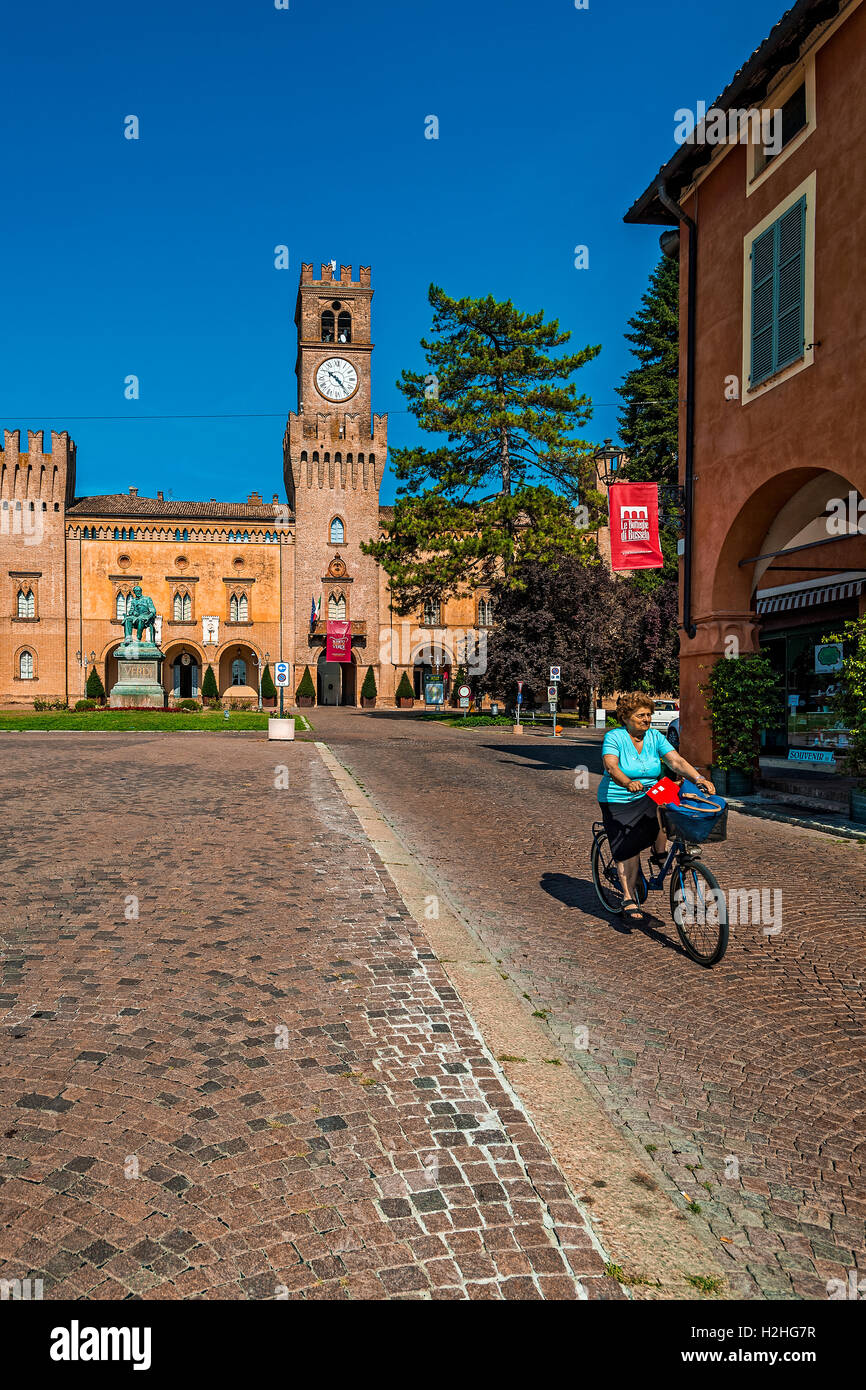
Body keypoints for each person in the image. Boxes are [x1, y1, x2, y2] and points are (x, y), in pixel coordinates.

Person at [598, 691, 715, 921]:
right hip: (619, 797)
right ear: (626, 717)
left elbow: (676, 761)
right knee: (628, 849)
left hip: (650, 791)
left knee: (672, 800)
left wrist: (698, 779)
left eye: (649, 715)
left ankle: (660, 852)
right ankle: (628, 897)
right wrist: (627, 782)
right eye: (641, 715)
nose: (647, 719)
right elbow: (611, 766)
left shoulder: (654, 737)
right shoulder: (615, 737)